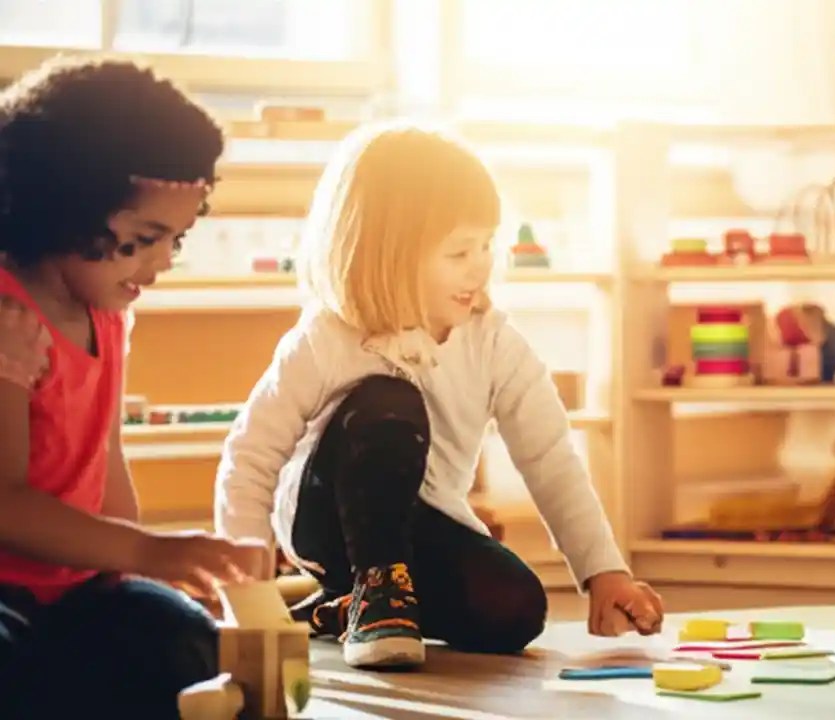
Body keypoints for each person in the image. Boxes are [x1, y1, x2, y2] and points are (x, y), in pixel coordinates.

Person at [214, 121, 664, 670]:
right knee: (388, 402)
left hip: (421, 525)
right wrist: (247, 575)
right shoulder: (325, 338)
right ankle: (370, 592)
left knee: (516, 611)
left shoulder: (493, 341)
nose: (481, 265)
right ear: (387, 254)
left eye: (485, 245)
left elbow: (550, 458)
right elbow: (252, 455)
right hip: (326, 520)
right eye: (458, 252)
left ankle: (339, 610)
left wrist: (603, 569)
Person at [0, 56, 269, 717]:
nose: (164, 261)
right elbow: (5, 503)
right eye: (145, 239)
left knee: (190, 646)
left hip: (76, 592)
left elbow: (106, 457)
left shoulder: (108, 314)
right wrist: (148, 550)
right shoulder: (8, 321)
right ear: (66, 207)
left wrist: (147, 568)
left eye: (176, 239)